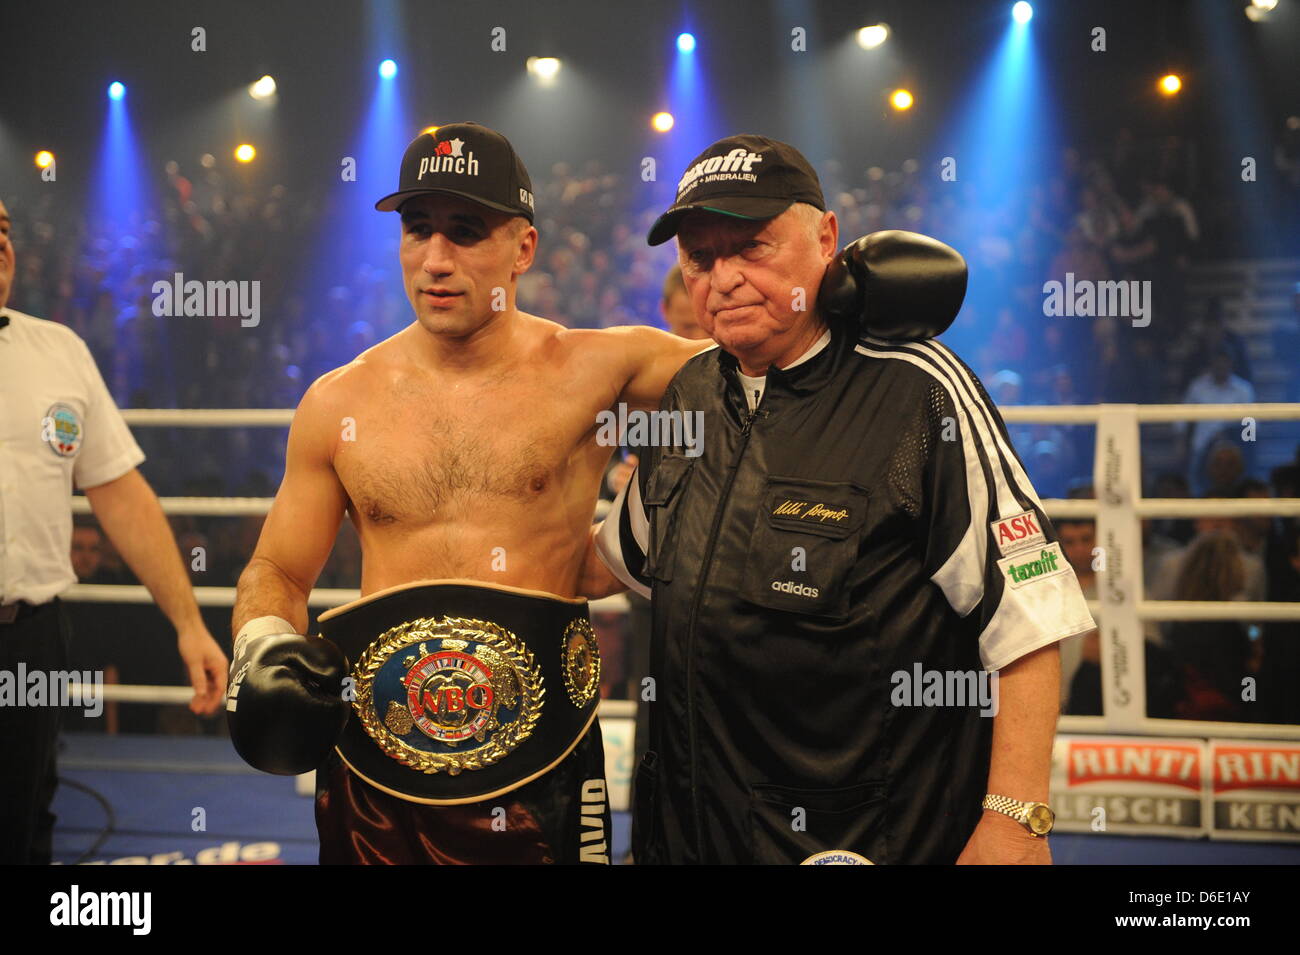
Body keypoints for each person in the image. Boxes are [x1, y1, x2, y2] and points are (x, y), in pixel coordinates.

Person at [226, 123, 959, 865]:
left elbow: (769, 345)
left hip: (539, 764)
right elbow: (278, 573)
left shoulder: (596, 369)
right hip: (377, 769)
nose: (437, 260)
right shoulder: (336, 403)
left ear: (523, 248)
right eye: (419, 231)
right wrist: (264, 644)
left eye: (466, 231)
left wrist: (844, 292)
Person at [585, 134, 1095, 864]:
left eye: (752, 245)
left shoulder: (918, 390)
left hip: (861, 838)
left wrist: (1016, 817)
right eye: (699, 256)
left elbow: (1028, 614)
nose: (722, 277)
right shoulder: (691, 394)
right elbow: (615, 562)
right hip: (687, 832)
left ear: (825, 238)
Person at [0, 196, 228, 864]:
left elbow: (122, 495)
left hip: (28, 636)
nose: (0, 245)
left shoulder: (58, 351)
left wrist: (188, 622)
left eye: (6, 229)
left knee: (22, 821)